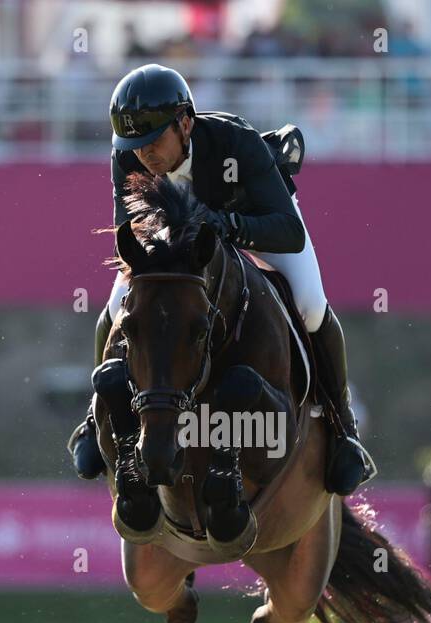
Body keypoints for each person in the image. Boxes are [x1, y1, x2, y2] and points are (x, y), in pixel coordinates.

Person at [66, 63, 375, 496]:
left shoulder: (234, 140)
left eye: (154, 141)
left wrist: (227, 224)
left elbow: (288, 229)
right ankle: (92, 415)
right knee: (117, 308)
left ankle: (344, 429)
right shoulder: (126, 157)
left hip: (254, 220)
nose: (145, 155)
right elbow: (128, 238)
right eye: (136, 146)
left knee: (308, 303)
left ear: (185, 123)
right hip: (178, 244)